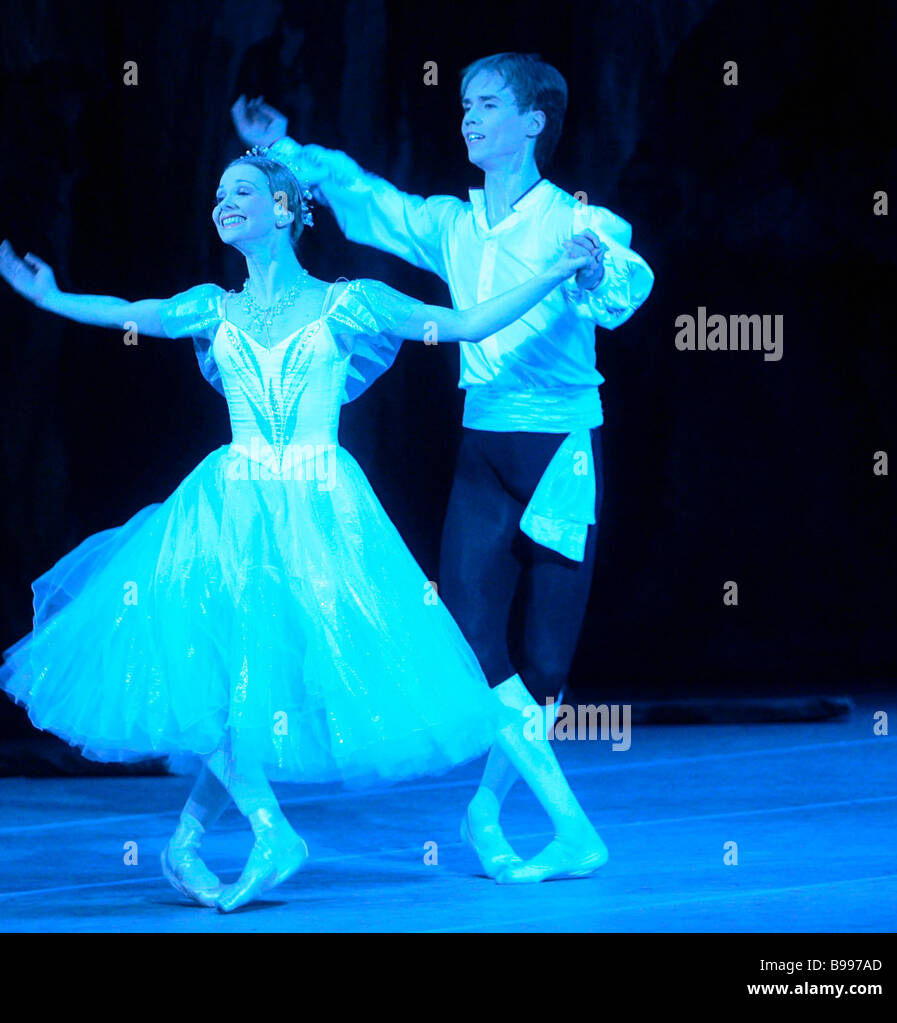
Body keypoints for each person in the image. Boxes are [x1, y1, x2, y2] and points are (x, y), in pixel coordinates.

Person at [0, 150, 594, 913]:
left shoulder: (351, 303)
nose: (223, 203)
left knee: (251, 681)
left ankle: (245, 833)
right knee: (219, 674)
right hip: (227, 505)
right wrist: (52, 298)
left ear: (284, 209)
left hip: (318, 507)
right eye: (216, 194)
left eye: (240, 191)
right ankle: (217, 837)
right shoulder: (212, 305)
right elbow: (130, 311)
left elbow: (467, 322)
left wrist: (556, 271)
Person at [233, 51, 654, 882]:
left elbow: (626, 284)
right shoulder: (453, 224)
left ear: (533, 121)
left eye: (488, 104)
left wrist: (598, 265)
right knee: (467, 636)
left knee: (547, 661)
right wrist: (289, 154)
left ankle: (489, 808)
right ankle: (566, 824)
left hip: (562, 450)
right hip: (485, 445)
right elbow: (368, 201)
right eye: (464, 104)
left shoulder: (575, 220)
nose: (468, 117)